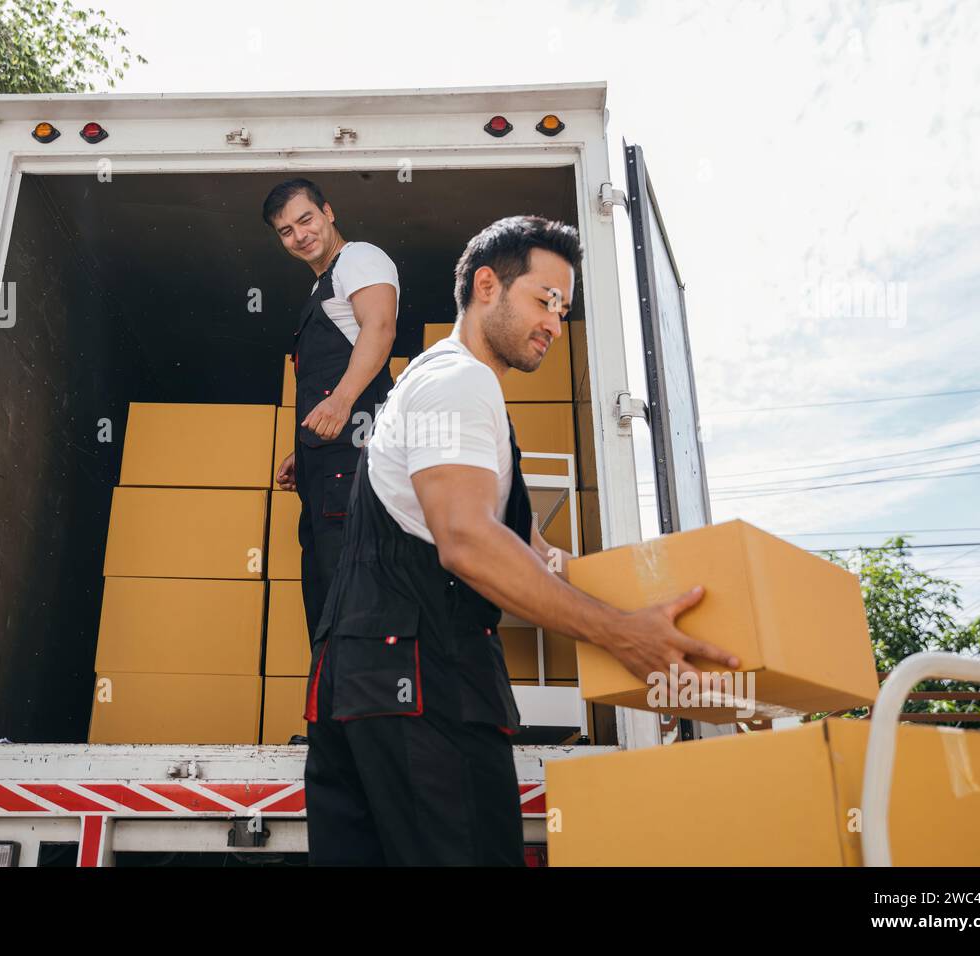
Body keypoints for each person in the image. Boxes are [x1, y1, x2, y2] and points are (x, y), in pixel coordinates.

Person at [302, 215, 740, 865]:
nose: (553, 325)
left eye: (563, 311)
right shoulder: (458, 381)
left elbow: (534, 555)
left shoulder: (453, 401)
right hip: (418, 686)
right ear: (486, 286)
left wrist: (656, 629)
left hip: (368, 685)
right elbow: (467, 543)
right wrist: (621, 635)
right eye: (543, 300)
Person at [263, 178, 398, 644]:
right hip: (329, 468)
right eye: (285, 231)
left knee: (353, 596)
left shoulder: (359, 259)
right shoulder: (323, 285)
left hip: (356, 466)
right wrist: (308, 450)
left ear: (328, 212)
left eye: (306, 220)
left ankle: (362, 709)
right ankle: (333, 712)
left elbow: (379, 328)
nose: (299, 235)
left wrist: (340, 403)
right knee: (325, 603)